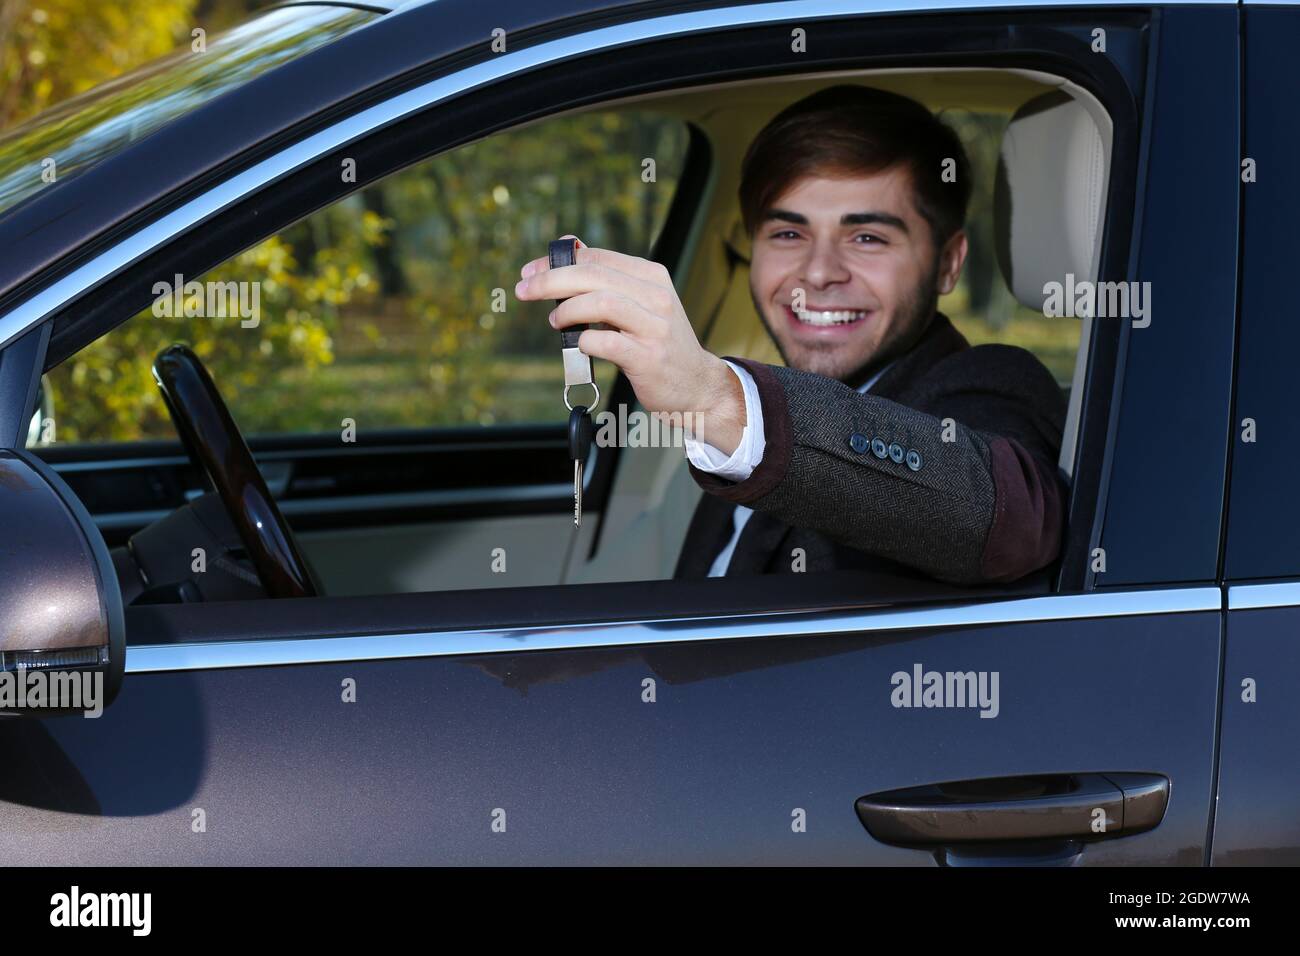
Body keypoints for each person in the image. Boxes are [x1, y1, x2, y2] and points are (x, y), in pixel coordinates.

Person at [515, 85, 1065, 587]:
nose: (819, 272)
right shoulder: (735, 434)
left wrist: (717, 400)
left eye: (867, 238)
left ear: (948, 263)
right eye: (787, 233)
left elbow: (1009, 521)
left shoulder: (990, 385)